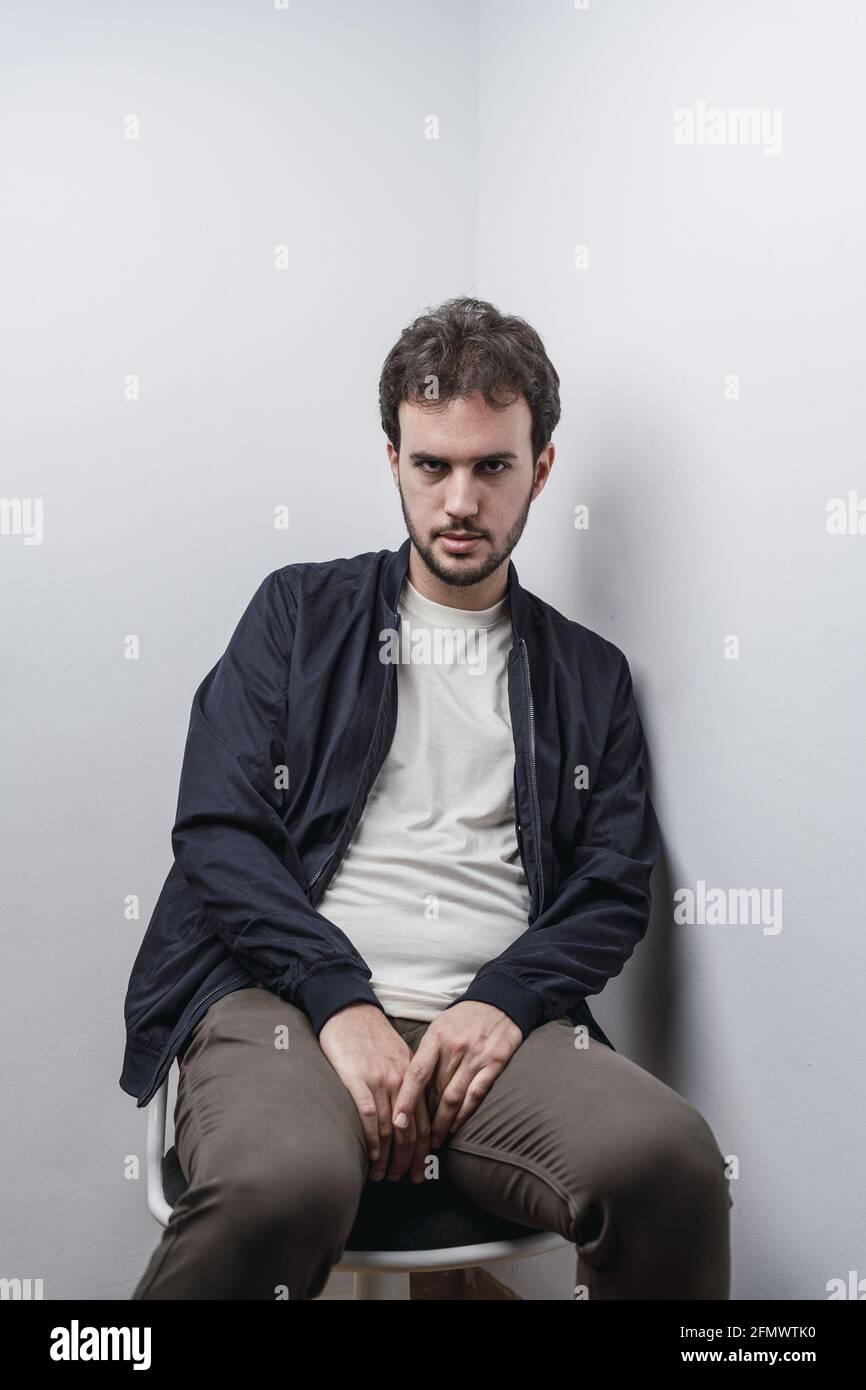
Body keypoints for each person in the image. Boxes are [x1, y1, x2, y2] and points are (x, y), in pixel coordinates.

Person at [126, 296, 731, 1300]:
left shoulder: (590, 677)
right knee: (280, 1186)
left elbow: (609, 887)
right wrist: (337, 996)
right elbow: (219, 832)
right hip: (282, 1003)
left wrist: (503, 999)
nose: (459, 501)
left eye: (491, 466)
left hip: (496, 1032)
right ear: (392, 460)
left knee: (669, 1164)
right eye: (431, 465)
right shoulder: (296, 615)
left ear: (538, 468)